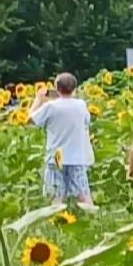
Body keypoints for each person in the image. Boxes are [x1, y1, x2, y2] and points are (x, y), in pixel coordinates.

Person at [29, 73, 97, 210]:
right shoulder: (81, 105)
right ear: (75, 88)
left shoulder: (51, 107)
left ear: (57, 88)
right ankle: (94, 221)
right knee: (84, 194)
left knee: (56, 197)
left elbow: (31, 119)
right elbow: (86, 121)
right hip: (77, 157)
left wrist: (38, 99)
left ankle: (57, 223)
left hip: (56, 157)